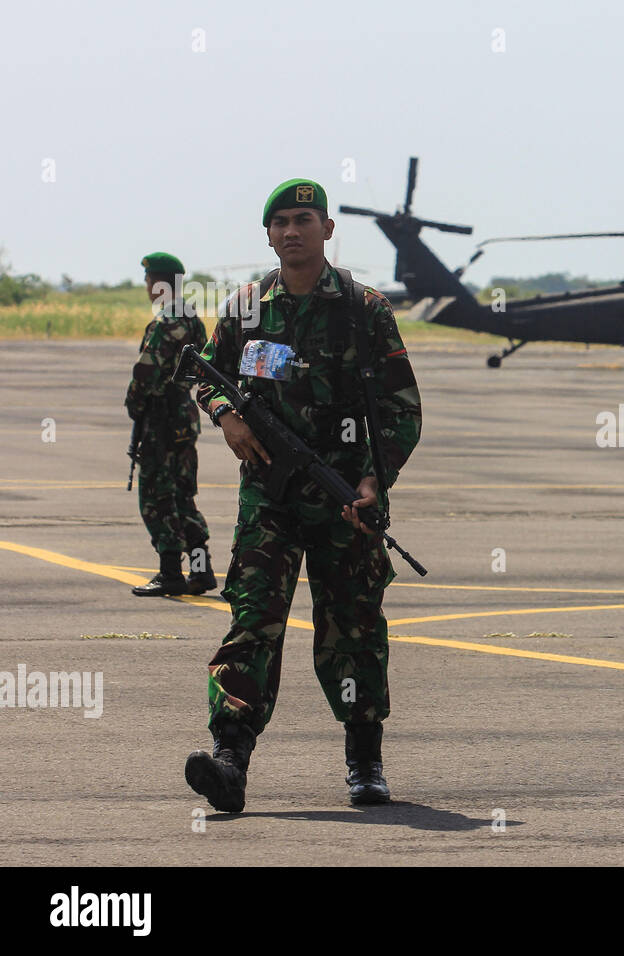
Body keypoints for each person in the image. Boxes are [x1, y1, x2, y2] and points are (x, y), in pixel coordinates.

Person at [184, 179, 422, 812]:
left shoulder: (362, 308)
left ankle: (364, 760)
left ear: (327, 229)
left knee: (352, 627)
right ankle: (229, 758)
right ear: (269, 235)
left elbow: (402, 409)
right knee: (253, 618)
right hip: (270, 498)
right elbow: (204, 374)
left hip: (347, 497)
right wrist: (227, 418)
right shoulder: (245, 307)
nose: (293, 230)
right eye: (282, 222)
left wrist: (375, 479)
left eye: (305, 219)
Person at [126, 253, 217, 597]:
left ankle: (170, 573)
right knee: (183, 496)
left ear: (158, 283)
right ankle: (200, 569)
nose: (147, 286)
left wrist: (135, 406)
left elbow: (145, 372)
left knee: (157, 497)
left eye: (149, 280)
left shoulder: (165, 321)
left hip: (159, 419)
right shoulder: (192, 318)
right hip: (183, 414)